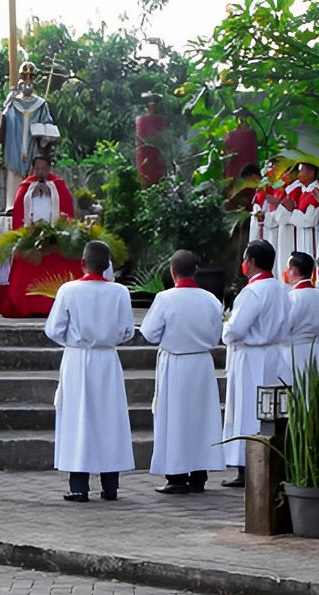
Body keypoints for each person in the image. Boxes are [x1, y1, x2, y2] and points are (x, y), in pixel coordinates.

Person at [44, 239, 135, 501]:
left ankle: (79, 486)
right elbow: (127, 331)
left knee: (78, 420)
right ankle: (110, 485)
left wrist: (75, 341)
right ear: (108, 265)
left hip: (77, 359)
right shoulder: (120, 292)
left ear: (82, 262)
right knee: (109, 420)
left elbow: (54, 329)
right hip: (107, 360)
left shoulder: (69, 290)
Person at [141, 248, 225, 494]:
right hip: (201, 363)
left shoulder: (165, 299)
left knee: (175, 419)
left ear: (172, 272)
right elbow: (216, 334)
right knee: (200, 419)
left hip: (176, 363)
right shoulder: (211, 299)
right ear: (196, 271)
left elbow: (149, 333)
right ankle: (199, 475)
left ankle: (176, 476)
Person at [220, 239, 290, 488]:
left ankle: (246, 466)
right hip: (274, 354)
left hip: (251, 356)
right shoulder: (281, 289)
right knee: (270, 411)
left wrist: (225, 328)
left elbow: (236, 329)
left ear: (250, 262)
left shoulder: (253, 292)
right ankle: (273, 461)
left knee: (247, 410)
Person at [283, 251, 319, 378]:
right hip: (317, 350)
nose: (286, 272)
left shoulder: (292, 297)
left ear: (294, 271)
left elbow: (285, 326)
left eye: (288, 268)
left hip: (295, 352)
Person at [13, 152, 75, 228]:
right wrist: (30, 193)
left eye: (43, 168)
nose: (40, 172)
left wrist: (52, 191)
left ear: (49, 168)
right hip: (32, 228)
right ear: (33, 169)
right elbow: (18, 208)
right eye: (37, 169)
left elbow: (66, 208)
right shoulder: (26, 185)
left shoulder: (59, 184)